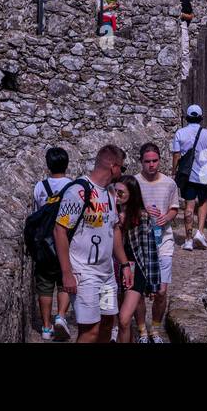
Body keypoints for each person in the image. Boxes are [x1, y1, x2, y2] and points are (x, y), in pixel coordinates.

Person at [53, 144, 130, 343]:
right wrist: (67, 273)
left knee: (107, 322)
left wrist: (124, 264)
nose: (122, 172)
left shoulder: (110, 193)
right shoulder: (78, 191)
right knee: (90, 331)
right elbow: (59, 230)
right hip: (84, 273)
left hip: (107, 275)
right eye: (122, 168)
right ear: (113, 166)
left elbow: (114, 230)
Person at [136, 142, 179, 341]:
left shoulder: (169, 183)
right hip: (140, 243)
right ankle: (142, 331)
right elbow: (125, 208)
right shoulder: (134, 183)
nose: (151, 165)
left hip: (163, 241)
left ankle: (155, 329)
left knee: (161, 291)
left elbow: (174, 208)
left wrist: (166, 217)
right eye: (147, 161)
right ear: (141, 162)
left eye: (155, 161)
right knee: (139, 291)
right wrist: (143, 211)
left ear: (160, 160)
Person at [32, 146, 74, 341]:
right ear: (66, 164)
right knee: (64, 282)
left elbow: (36, 213)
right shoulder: (73, 186)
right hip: (66, 240)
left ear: (48, 165)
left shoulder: (40, 187)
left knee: (44, 285)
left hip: (44, 243)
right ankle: (61, 316)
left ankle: (46, 327)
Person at [113, 174, 161, 343]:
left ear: (131, 195)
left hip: (135, 270)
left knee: (124, 318)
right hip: (111, 270)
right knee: (113, 320)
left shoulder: (142, 217)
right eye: (114, 191)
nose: (116, 196)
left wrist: (153, 284)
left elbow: (150, 251)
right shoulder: (107, 213)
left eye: (121, 193)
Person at [171, 104, 207, 251]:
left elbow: (176, 155)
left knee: (189, 206)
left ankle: (188, 239)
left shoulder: (180, 133)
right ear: (200, 118)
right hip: (204, 174)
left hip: (187, 175)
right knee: (203, 202)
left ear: (187, 117)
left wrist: (174, 171)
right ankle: (200, 233)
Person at [171, 0, 194, 80]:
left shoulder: (184, 0)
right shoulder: (168, 0)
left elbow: (191, 16)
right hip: (170, 26)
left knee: (184, 51)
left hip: (182, 24)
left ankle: (185, 76)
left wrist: (182, 15)